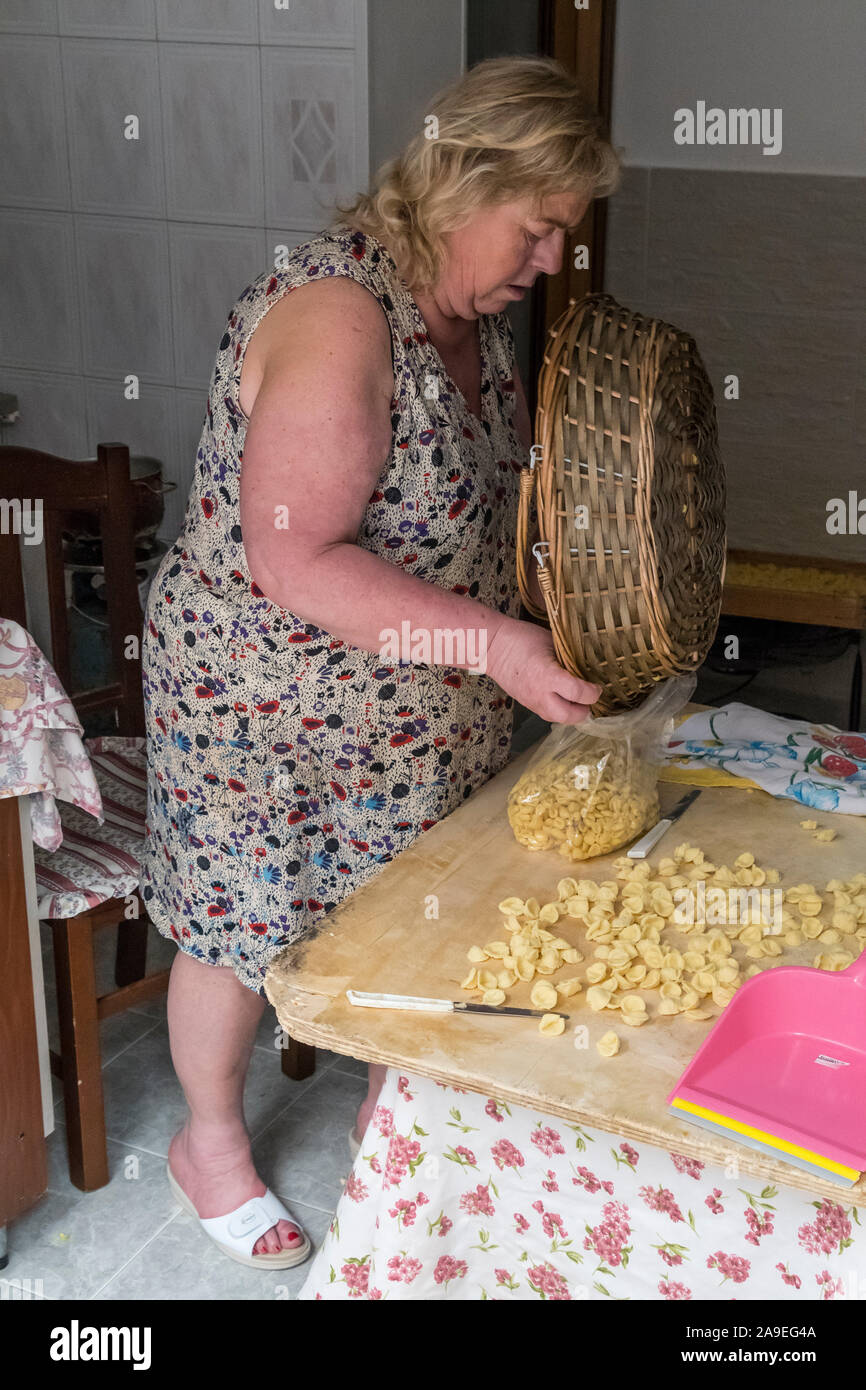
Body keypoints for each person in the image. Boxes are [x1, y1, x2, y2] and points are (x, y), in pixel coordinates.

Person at [140, 55, 620, 1267]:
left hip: (416, 707)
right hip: (263, 700)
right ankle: (209, 1142)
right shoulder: (340, 314)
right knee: (240, 927)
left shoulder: (470, 317)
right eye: (541, 226)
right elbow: (296, 561)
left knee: (411, 926)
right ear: (465, 181)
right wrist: (499, 643)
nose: (553, 259)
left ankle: (391, 1134)